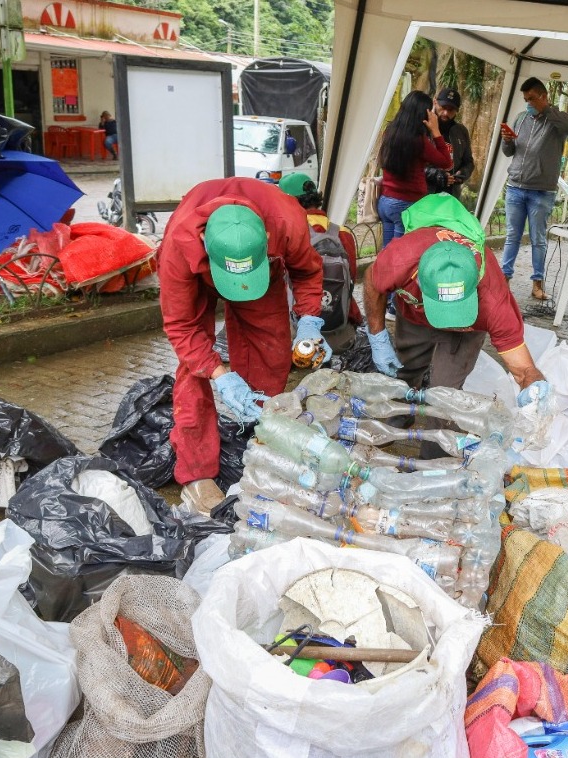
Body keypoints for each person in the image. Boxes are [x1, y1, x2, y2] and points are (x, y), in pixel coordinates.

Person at [159, 177, 330, 515]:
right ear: (205, 241)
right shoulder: (179, 245)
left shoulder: (287, 222)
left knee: (271, 349)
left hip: (262, 275)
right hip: (199, 270)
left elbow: (307, 273)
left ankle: (261, 440)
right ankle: (196, 474)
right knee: (194, 368)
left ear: (266, 240)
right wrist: (218, 373)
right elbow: (182, 325)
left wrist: (309, 319)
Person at [363, 194, 549, 432]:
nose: (447, 323)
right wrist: (377, 335)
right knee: (404, 370)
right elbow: (371, 281)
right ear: (418, 280)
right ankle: (398, 418)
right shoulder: (400, 260)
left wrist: (535, 390)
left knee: (445, 392)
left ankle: (436, 453)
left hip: (467, 331)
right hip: (415, 317)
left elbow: (523, 369)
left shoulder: (492, 299)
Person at [498, 77, 568, 300]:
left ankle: (537, 284)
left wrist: (547, 110)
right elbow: (509, 152)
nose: (529, 103)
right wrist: (506, 140)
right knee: (512, 236)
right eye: (526, 99)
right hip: (515, 187)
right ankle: (504, 279)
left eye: (532, 99)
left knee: (538, 239)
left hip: (541, 191)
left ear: (543, 97)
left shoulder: (557, 122)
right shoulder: (521, 118)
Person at [279, 171, 364, 331]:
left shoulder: (290, 233)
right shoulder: (343, 233)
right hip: (339, 318)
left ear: (289, 202)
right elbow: (351, 277)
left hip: (296, 321)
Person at [377, 90, 453, 248]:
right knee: (399, 254)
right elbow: (446, 162)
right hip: (405, 206)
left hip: (385, 202)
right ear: (423, 114)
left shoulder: (389, 131)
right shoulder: (419, 141)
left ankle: (381, 273)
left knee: (386, 253)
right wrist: (436, 131)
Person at [425, 87, 475, 199]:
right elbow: (412, 164)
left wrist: (462, 174)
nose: (445, 113)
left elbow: (469, 162)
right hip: (425, 192)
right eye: (442, 108)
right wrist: (435, 174)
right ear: (435, 102)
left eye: (451, 110)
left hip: (450, 195)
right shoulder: (424, 127)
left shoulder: (461, 131)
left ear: (457, 110)